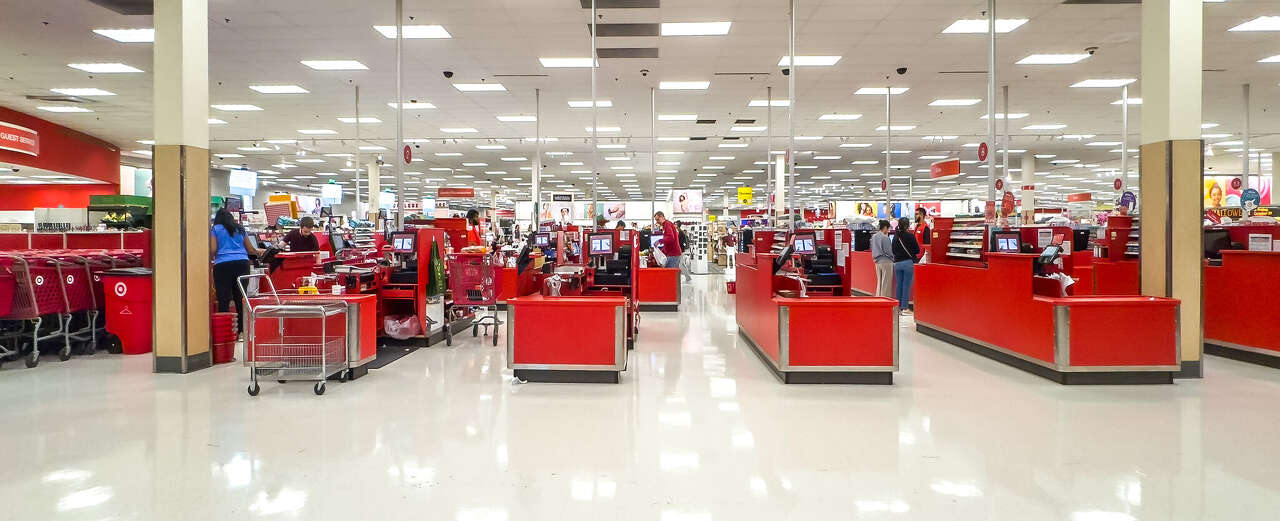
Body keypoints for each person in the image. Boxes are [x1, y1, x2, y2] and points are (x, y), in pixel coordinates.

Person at [210, 208, 260, 332]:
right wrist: (258, 251)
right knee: (240, 298)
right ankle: (242, 332)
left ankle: (225, 331)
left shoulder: (215, 229)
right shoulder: (240, 229)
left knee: (223, 298)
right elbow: (250, 249)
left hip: (222, 265)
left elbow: (213, 249)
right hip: (242, 264)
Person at [892, 217, 921, 316]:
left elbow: (893, 250)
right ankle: (904, 307)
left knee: (899, 285)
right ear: (907, 225)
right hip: (907, 263)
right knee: (906, 285)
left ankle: (897, 307)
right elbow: (917, 250)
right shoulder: (910, 236)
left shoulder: (896, 237)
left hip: (897, 263)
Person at [870, 219, 894, 298]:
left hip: (877, 261)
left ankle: (878, 298)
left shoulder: (874, 236)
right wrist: (893, 258)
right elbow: (889, 251)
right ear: (885, 227)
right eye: (888, 228)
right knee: (886, 283)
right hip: (886, 261)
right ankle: (885, 299)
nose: (888, 230)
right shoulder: (885, 237)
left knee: (879, 282)